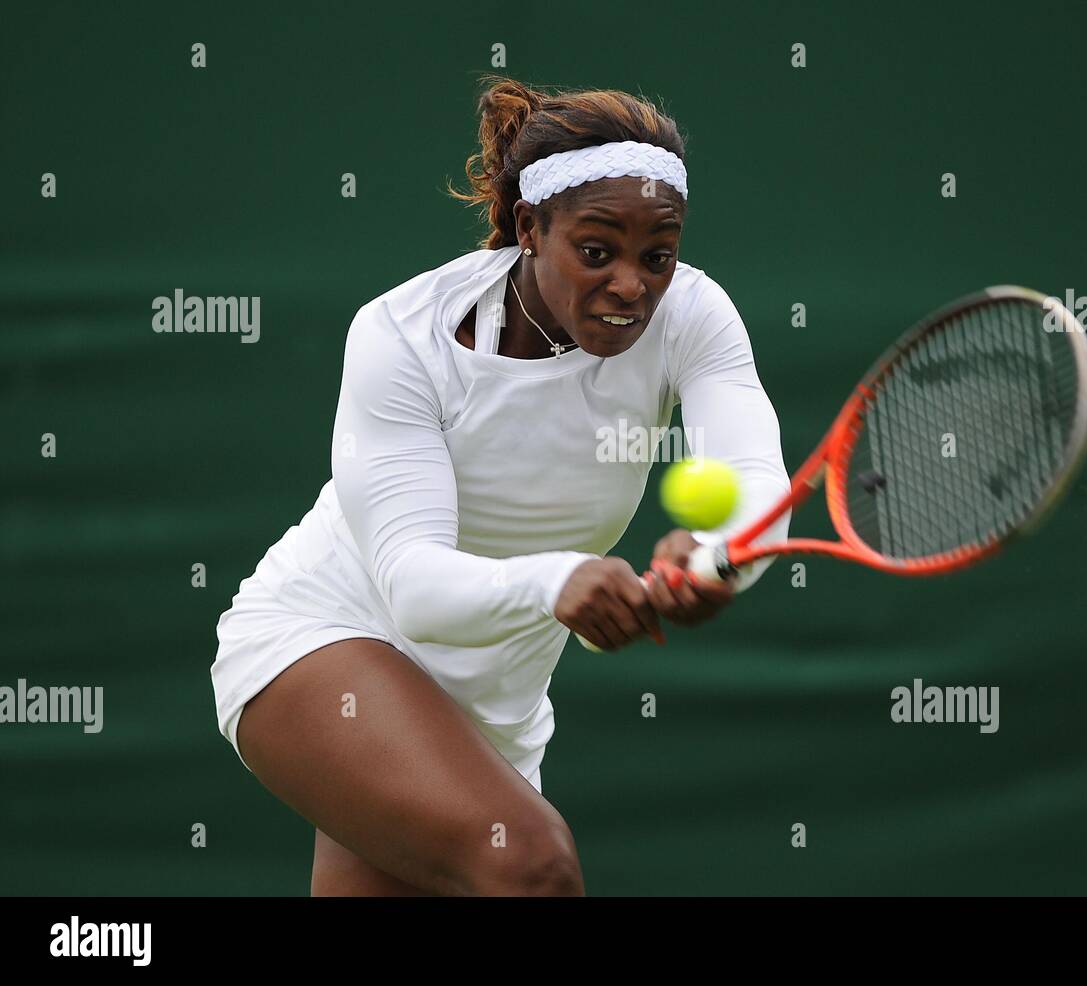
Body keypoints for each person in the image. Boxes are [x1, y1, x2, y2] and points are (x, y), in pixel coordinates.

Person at [210, 75, 791, 896]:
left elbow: (753, 480)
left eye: (657, 255)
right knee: (534, 866)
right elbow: (410, 582)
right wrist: (558, 580)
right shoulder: (402, 335)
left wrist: (724, 554)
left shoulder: (694, 317)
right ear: (529, 227)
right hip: (326, 641)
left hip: (490, 710)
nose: (632, 283)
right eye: (598, 251)